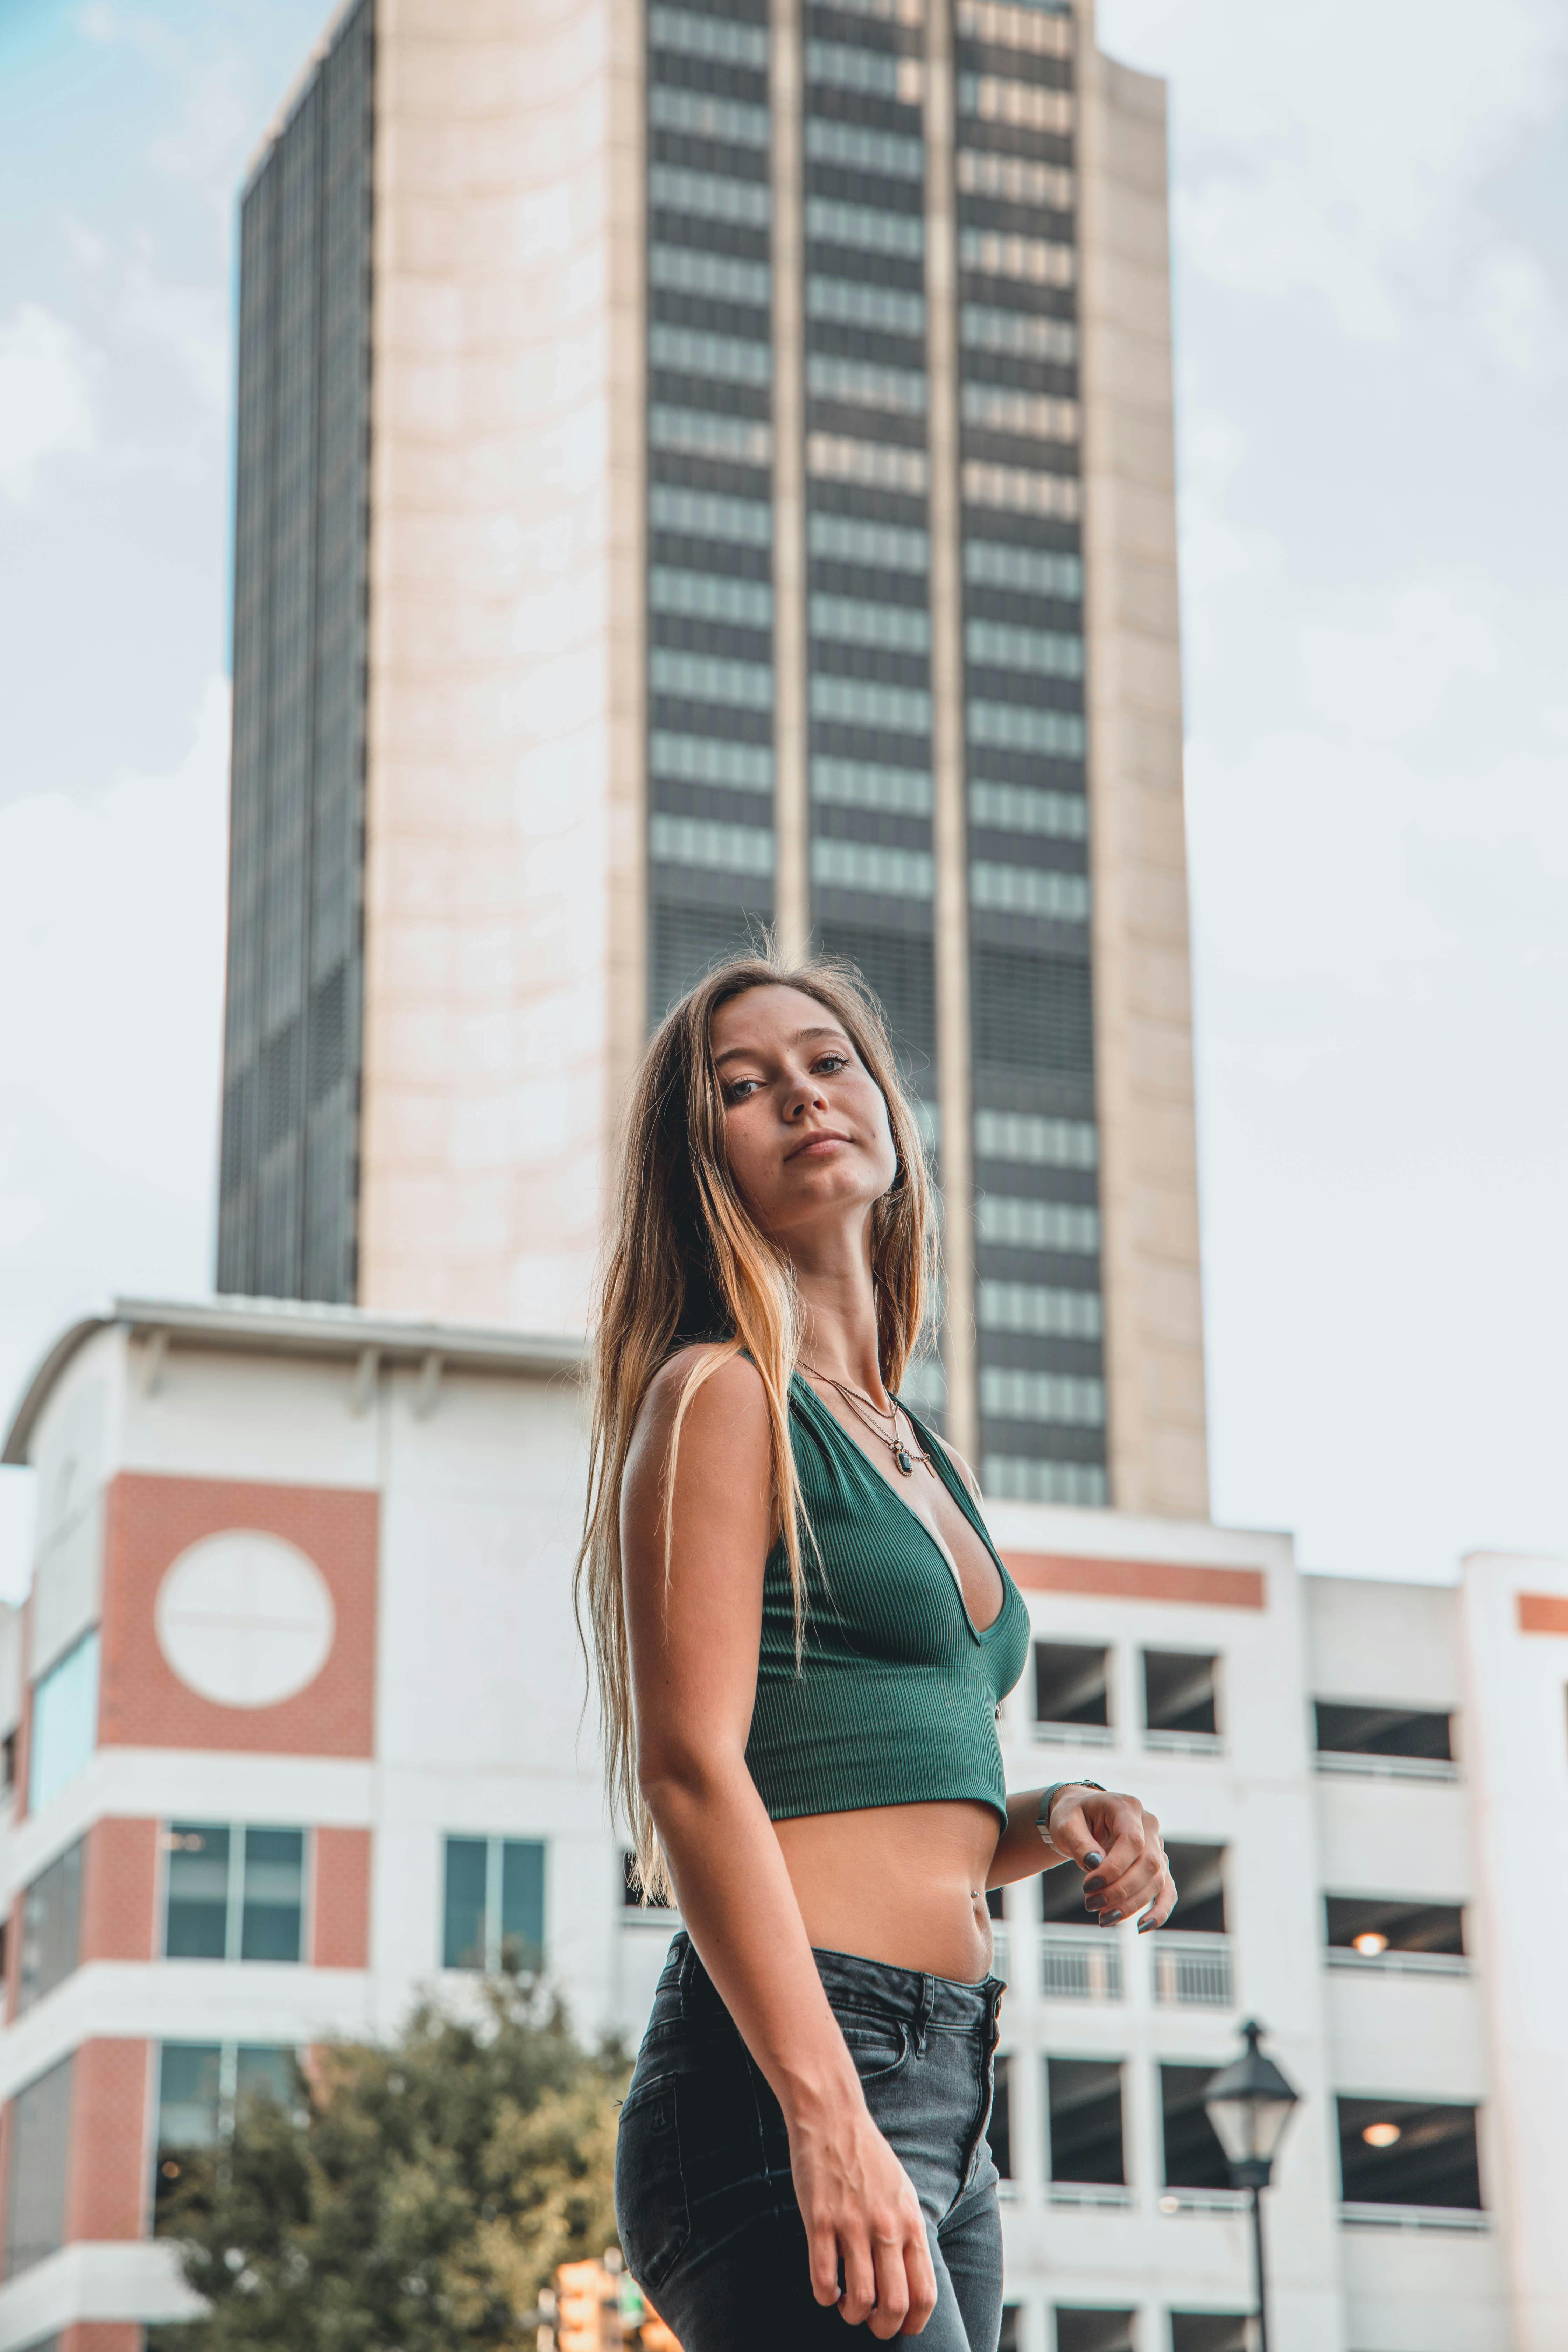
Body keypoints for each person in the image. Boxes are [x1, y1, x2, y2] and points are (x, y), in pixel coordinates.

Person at [578, 952, 1176, 2350]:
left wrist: (1054, 1815)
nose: (802, 1095)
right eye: (745, 1087)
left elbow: (869, 1784)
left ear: (887, 1108)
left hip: (949, 2082)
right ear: (701, 1165)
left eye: (828, 1061)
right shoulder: (721, 1394)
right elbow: (689, 1770)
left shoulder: (913, 1445)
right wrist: (826, 2112)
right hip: (797, 2073)